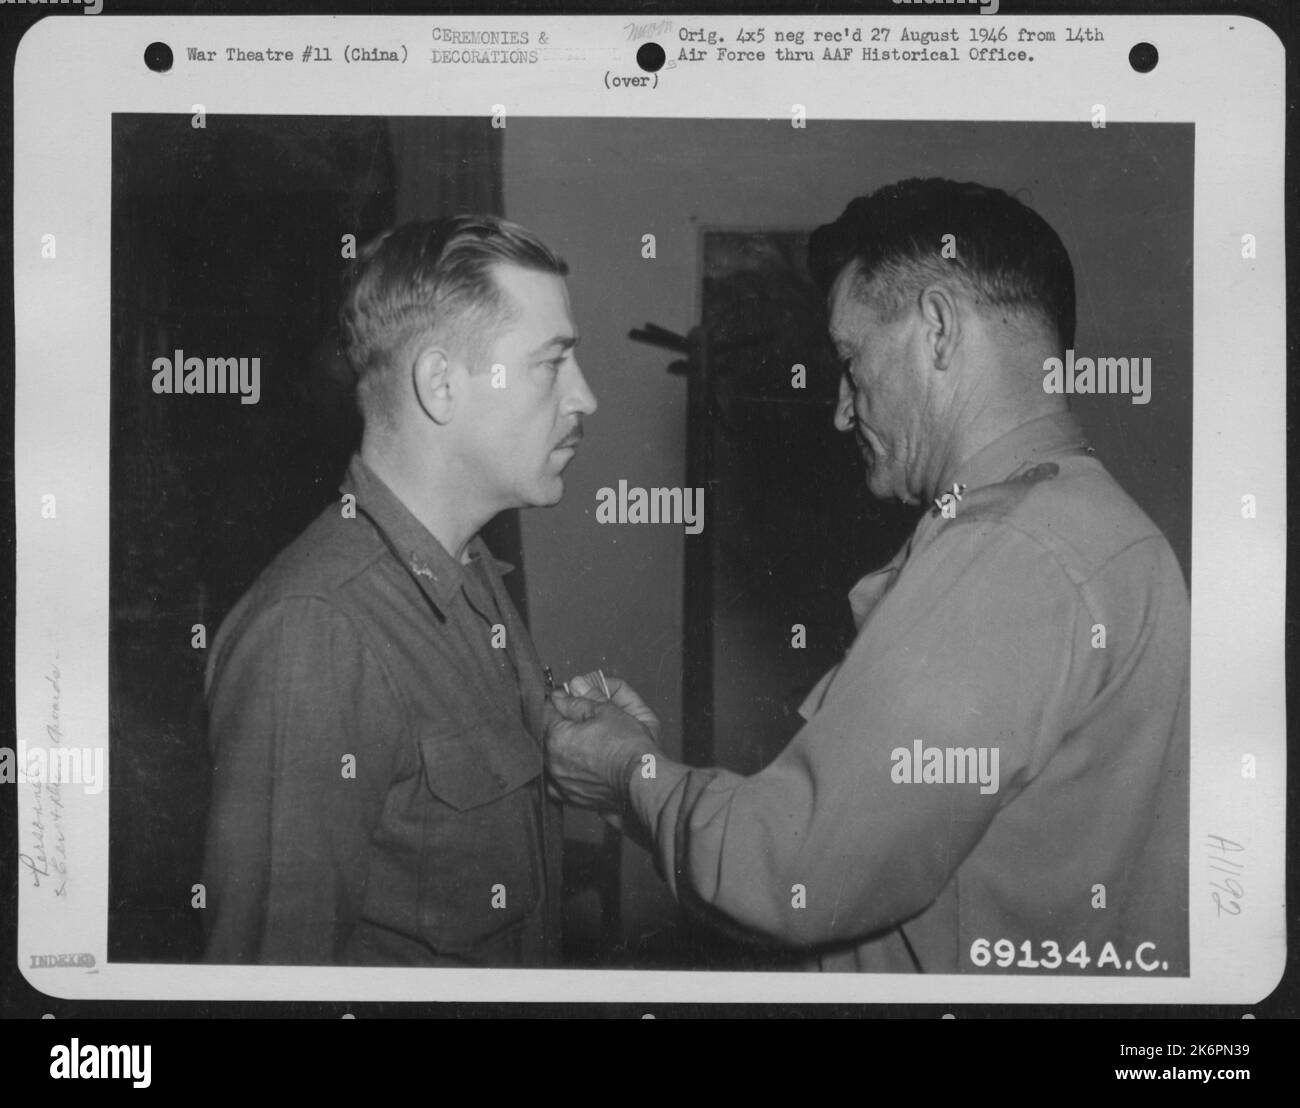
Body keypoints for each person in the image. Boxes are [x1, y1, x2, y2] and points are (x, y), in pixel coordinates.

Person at [546, 178, 1189, 974]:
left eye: (852, 361)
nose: (842, 412)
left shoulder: (1009, 556)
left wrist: (626, 772)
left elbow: (788, 873)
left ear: (940, 331)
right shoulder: (1101, 533)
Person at [202, 215, 597, 965]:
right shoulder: (315, 634)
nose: (585, 398)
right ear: (440, 383)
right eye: (553, 364)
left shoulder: (469, 573)